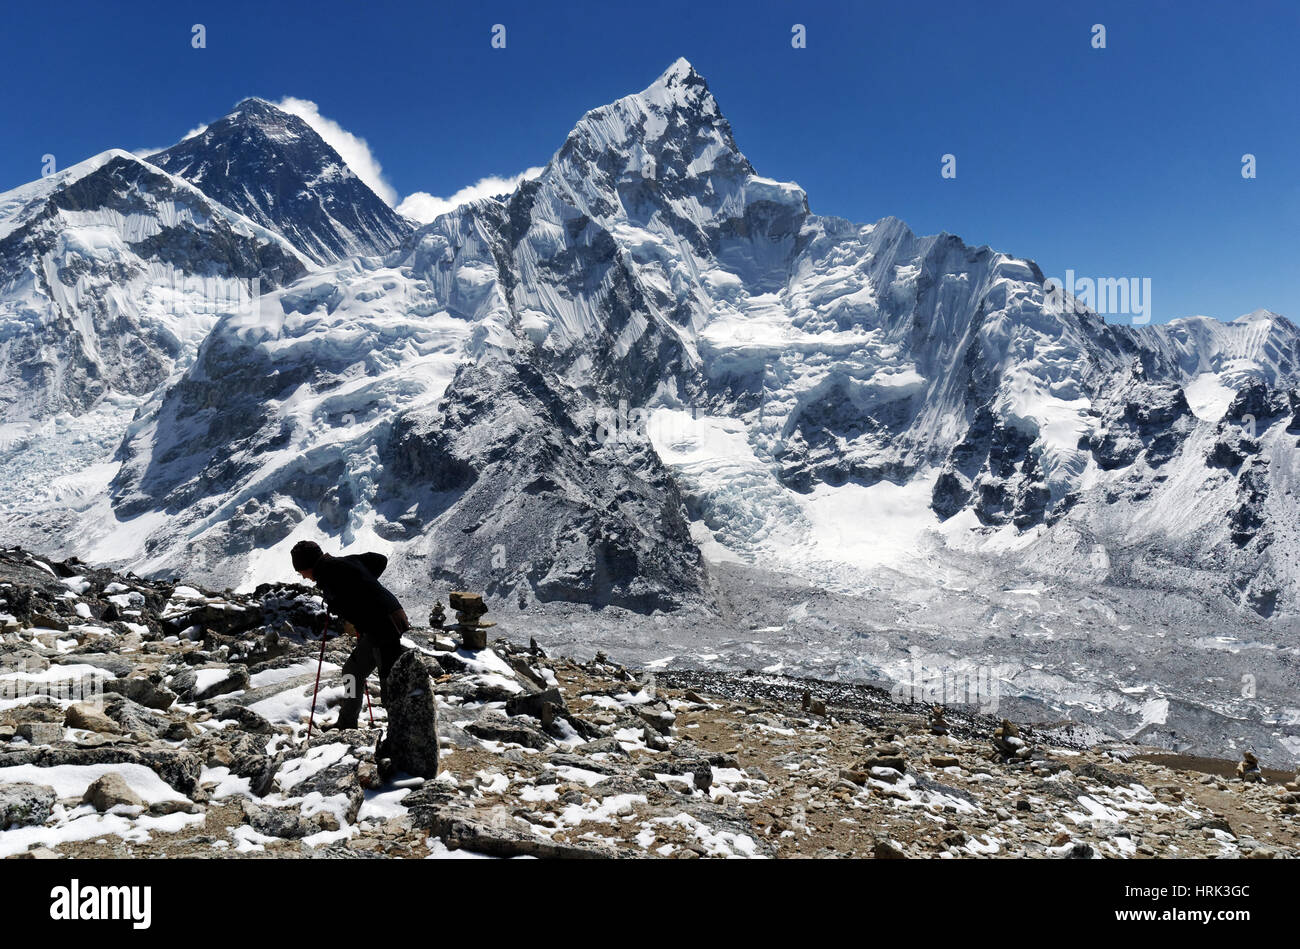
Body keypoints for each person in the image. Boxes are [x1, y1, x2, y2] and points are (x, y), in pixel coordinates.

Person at [291, 540, 410, 731]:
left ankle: (400, 738)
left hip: (384, 625)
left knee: (389, 683)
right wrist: (367, 584)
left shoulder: (333, 570)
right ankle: (347, 722)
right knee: (352, 672)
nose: (303, 577)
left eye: (301, 571)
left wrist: (365, 592)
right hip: (375, 625)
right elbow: (379, 561)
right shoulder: (340, 565)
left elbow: (347, 598)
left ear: (308, 565)